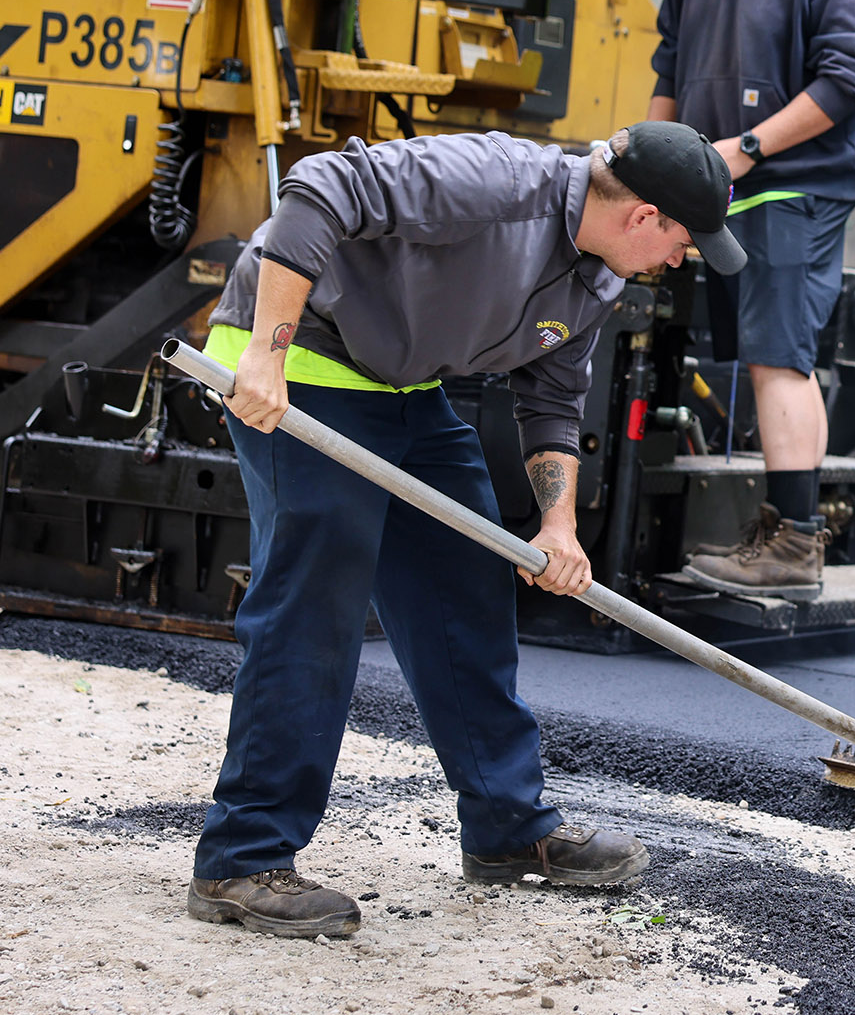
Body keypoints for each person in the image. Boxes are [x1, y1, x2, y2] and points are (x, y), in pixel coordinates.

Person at [190, 122, 747, 939]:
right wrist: (266, 356)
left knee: (467, 585)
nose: (678, 261)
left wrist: (558, 526)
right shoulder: (496, 181)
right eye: (682, 243)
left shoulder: (595, 278)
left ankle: (507, 830)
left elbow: (551, 403)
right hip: (300, 357)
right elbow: (317, 190)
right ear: (645, 217)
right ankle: (242, 859)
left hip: (402, 384)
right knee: (318, 600)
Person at [653, 0, 855, 597]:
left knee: (778, 355)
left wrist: (748, 148)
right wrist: (647, 164)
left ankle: (796, 545)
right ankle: (772, 527)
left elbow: (848, 83)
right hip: (714, 184)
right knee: (747, 353)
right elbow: (671, 61)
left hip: (796, 184)